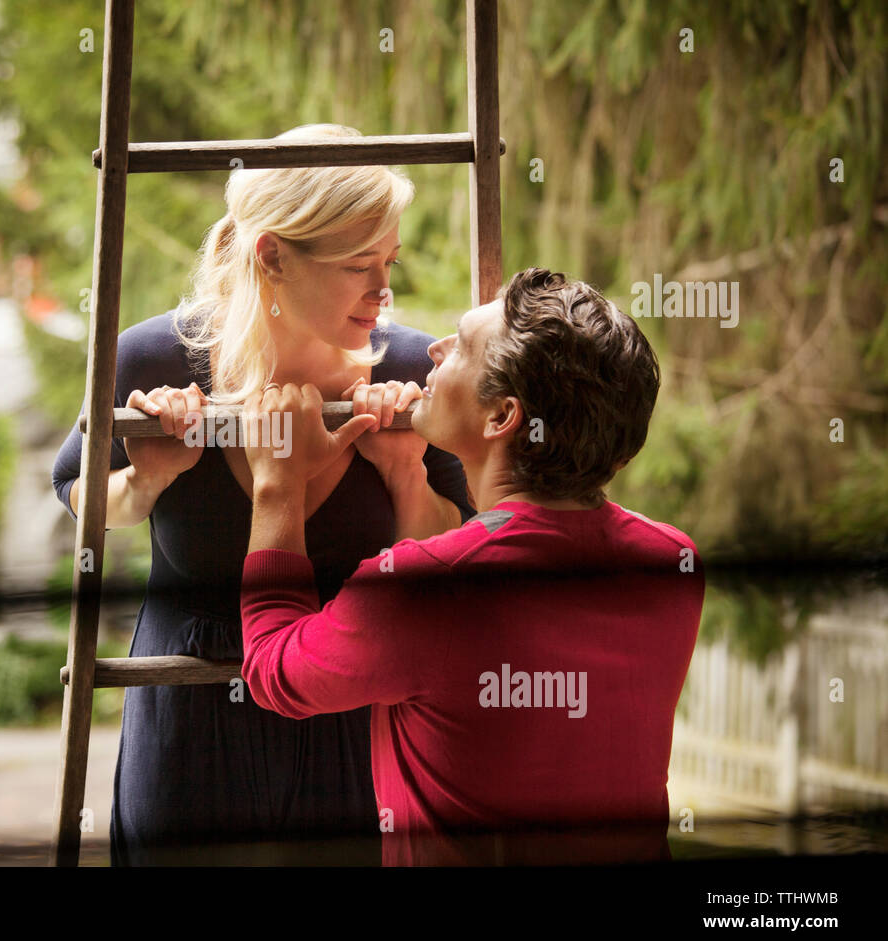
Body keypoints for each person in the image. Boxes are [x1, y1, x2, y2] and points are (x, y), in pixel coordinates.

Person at [51, 124, 475, 865]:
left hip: (354, 711)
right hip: (186, 717)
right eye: (357, 265)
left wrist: (405, 471)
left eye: (390, 262)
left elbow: (456, 549)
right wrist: (148, 476)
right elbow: (84, 500)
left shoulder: (413, 366)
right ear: (271, 254)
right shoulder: (153, 357)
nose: (384, 289)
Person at [239, 267, 705, 866]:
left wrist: (278, 483)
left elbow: (275, 671)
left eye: (459, 344)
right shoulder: (673, 564)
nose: (432, 348)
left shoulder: (427, 589)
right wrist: (407, 473)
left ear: (501, 416)